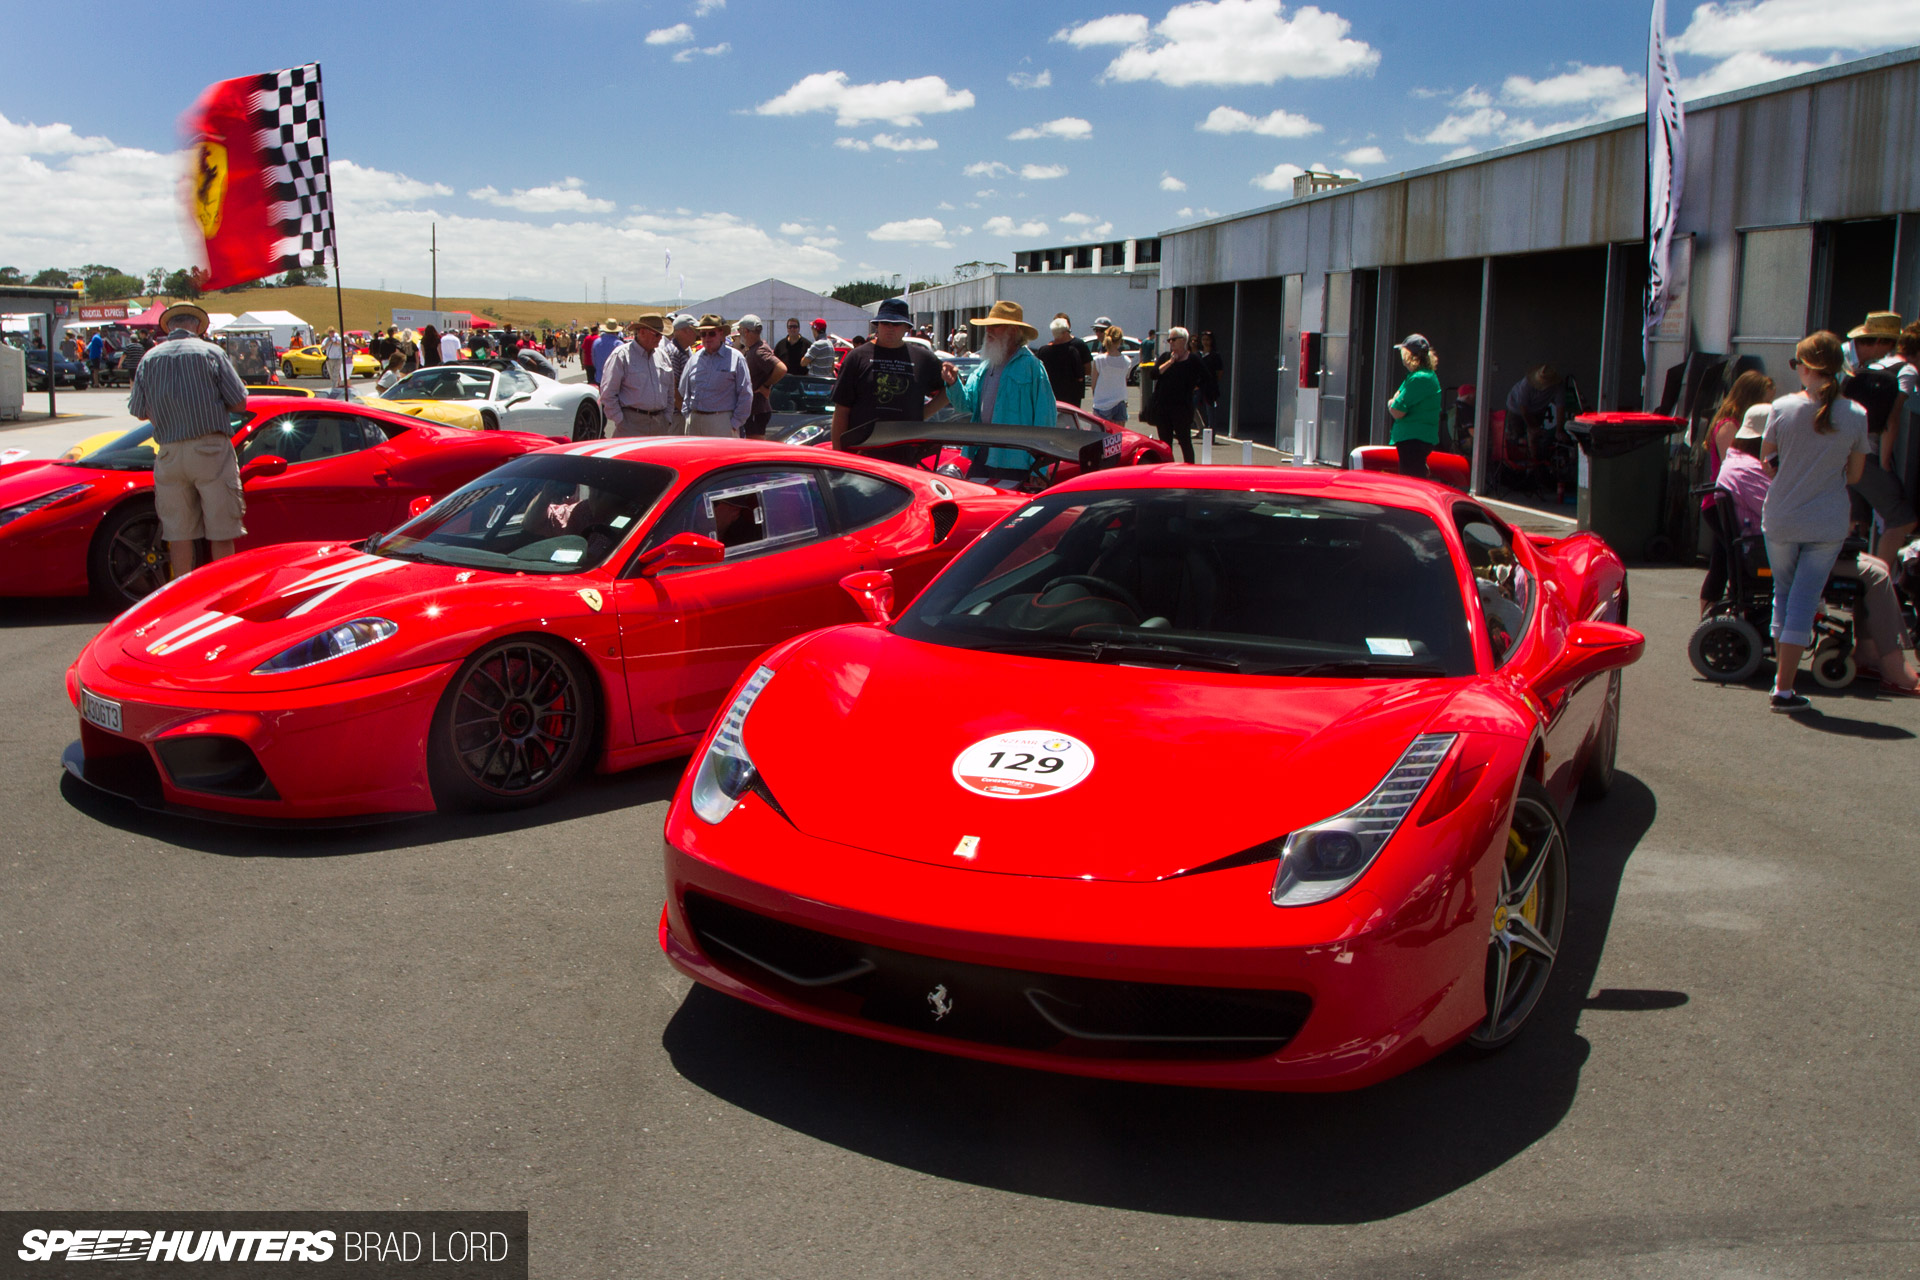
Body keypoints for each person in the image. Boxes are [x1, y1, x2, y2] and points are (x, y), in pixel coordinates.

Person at [1715, 410, 1918, 694]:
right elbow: (1785, 515)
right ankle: (1892, 665)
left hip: (1782, 548)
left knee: (1877, 568)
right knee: (1875, 574)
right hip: (1784, 554)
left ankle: (1870, 654)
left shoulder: (1742, 464)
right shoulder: (1750, 470)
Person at [1760, 331, 1872, 712]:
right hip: (1826, 519)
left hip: (1782, 516)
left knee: (1784, 594)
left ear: (1806, 368)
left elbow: (1767, 461)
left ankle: (1781, 680)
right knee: (1804, 601)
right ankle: (1784, 687)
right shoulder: (1856, 415)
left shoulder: (1781, 408)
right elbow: (1855, 476)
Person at [126, 302, 250, 583]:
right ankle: (226, 592)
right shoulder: (211, 352)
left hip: (169, 452)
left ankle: (182, 597)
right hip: (209, 450)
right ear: (197, 327)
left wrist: (166, 413)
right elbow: (240, 402)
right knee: (221, 531)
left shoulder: (149, 358)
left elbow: (137, 410)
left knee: (178, 535)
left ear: (170, 328)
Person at [1839, 310, 1916, 566]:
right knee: (1902, 519)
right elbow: (1892, 421)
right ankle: (1877, 586)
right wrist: (1885, 464)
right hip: (1870, 455)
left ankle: (1853, 585)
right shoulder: (1905, 371)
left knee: (1857, 522)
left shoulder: (1867, 367)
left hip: (1847, 451)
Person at [1699, 370, 1776, 613]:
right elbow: (1730, 471)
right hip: (1721, 503)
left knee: (1721, 561)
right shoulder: (1730, 426)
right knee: (1730, 561)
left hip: (1728, 501)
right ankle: (1722, 612)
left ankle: (1713, 616)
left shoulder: (1736, 422)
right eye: (1767, 398)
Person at [830, 297, 947, 448]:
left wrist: (922, 414)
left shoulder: (923, 359)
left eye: (897, 324)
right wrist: (838, 453)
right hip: (861, 450)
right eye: (885, 323)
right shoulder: (857, 357)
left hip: (906, 449)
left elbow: (950, 389)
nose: (890, 327)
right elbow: (841, 409)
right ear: (877, 325)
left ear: (907, 327)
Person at [941, 302, 1056, 429]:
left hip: (1015, 448)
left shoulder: (1032, 367)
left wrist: (1037, 447)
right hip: (982, 446)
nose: (988, 330)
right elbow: (964, 406)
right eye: (987, 325)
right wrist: (953, 383)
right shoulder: (985, 368)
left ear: (1013, 330)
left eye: (995, 325)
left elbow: (1046, 418)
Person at [1141, 326, 1215, 463]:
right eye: (1169, 340)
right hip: (1163, 407)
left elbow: (1207, 377)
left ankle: (1189, 469)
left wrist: (1194, 386)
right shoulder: (1165, 357)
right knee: (1165, 443)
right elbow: (1154, 374)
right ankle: (1166, 468)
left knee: (1184, 440)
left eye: (1174, 340)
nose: (1171, 343)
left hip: (1182, 407)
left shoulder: (1193, 360)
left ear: (1183, 340)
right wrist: (1170, 362)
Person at [598, 313, 678, 437]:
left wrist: (667, 419)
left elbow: (670, 392)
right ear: (641, 332)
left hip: (660, 424)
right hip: (631, 425)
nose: (660, 339)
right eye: (656, 334)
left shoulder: (662, 356)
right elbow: (608, 394)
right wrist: (621, 421)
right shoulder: (621, 356)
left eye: (661, 335)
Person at [679, 315, 752, 437]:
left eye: (711, 333)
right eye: (703, 334)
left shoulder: (736, 358)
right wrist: (688, 417)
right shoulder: (694, 359)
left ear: (721, 334)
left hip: (722, 422)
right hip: (695, 421)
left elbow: (746, 394)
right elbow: (684, 390)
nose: (707, 338)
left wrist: (734, 423)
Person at [1385, 334, 1442, 479]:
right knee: (1414, 477)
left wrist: (1392, 402)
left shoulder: (1420, 378)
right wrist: (1394, 402)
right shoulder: (1417, 376)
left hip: (1414, 441)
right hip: (1414, 440)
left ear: (1409, 355)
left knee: (1411, 481)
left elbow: (1397, 410)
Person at [734, 315, 788, 439]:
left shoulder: (759, 351)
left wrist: (766, 386)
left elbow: (781, 368)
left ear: (746, 331)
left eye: (740, 330)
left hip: (757, 408)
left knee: (753, 445)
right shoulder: (754, 348)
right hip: (753, 408)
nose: (739, 334)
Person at [1035, 313, 1093, 407]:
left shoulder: (1078, 345)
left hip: (1065, 395)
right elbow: (1082, 375)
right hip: (1062, 396)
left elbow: (1087, 370)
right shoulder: (1072, 351)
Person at [1090, 325, 1131, 425]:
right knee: (1118, 437)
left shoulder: (1099, 360)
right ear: (1120, 341)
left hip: (1102, 404)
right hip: (1120, 402)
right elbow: (1124, 381)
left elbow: (1093, 384)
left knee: (1101, 436)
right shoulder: (1126, 361)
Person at [1196, 330, 1225, 434]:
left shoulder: (1215, 355)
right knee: (1191, 406)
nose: (1205, 342)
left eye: (1207, 340)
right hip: (1198, 386)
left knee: (1210, 410)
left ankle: (1211, 434)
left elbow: (1220, 372)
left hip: (1210, 387)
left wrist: (1213, 381)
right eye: (1203, 339)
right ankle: (1200, 428)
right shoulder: (1198, 355)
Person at [773, 318, 811, 382]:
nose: (792, 329)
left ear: (799, 329)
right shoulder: (780, 345)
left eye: (795, 327)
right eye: (790, 327)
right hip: (783, 382)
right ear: (787, 329)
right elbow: (774, 363)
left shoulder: (807, 345)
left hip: (801, 383)